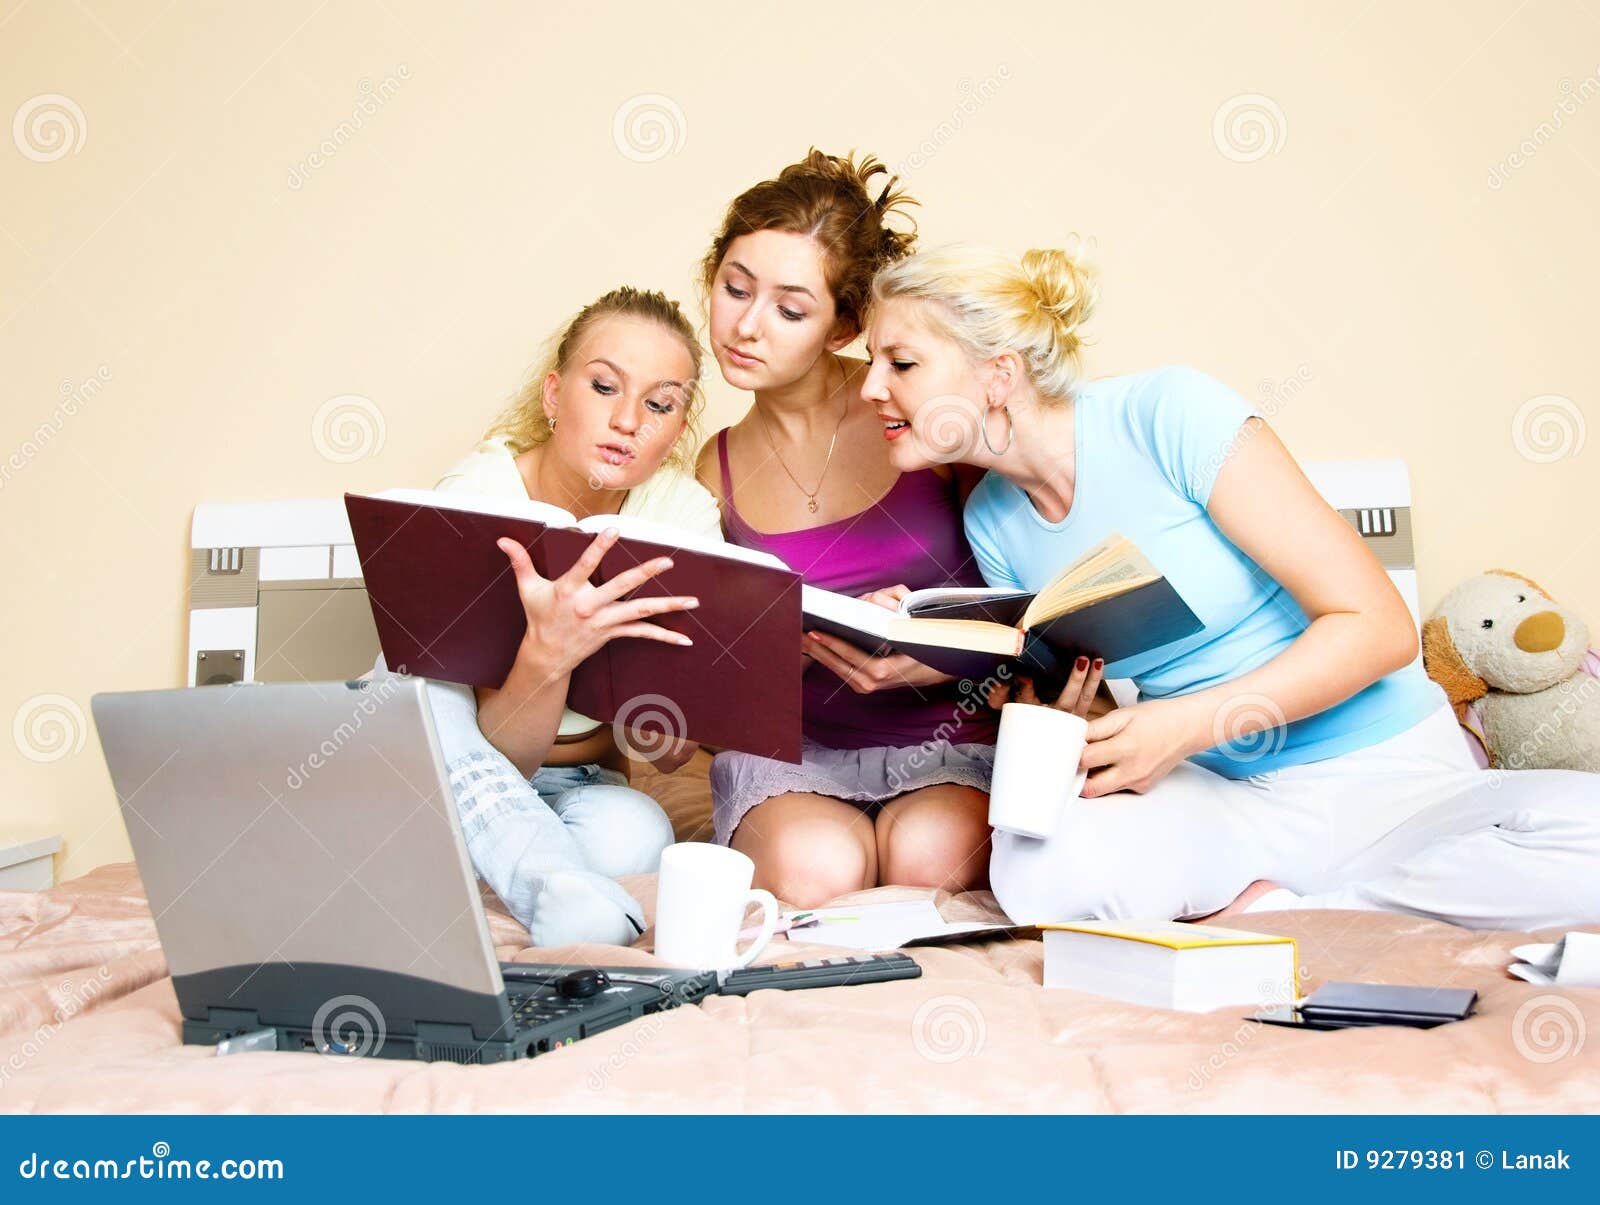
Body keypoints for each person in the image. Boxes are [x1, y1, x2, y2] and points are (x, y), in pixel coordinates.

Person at [860, 240, 1600, 931]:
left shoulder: (1168, 414)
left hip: (1383, 770)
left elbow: (1379, 625)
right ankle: (1364, 898)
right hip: (1221, 793)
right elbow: (1086, 685)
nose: (869, 388)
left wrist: (1181, 726)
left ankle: (1311, 906)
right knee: (1036, 874)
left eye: (900, 363)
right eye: (871, 363)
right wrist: (956, 660)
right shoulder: (991, 517)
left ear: (999, 372)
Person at [692, 150, 1003, 909]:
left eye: (791, 309)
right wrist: (775, 656)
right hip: (798, 753)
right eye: (735, 288)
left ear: (845, 327)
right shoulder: (713, 468)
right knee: (813, 874)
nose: (746, 325)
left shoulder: (916, 418)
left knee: (931, 863)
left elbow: (1035, 606)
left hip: (950, 739)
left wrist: (930, 659)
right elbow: (703, 688)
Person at [376, 286, 717, 945]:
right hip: (469, 769)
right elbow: (497, 750)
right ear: (555, 395)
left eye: (659, 403)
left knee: (638, 832)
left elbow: (670, 753)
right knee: (409, 684)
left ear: (678, 428)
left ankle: (530, 876)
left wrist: (682, 705)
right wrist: (550, 651)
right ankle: (552, 882)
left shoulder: (682, 515)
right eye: (604, 387)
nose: (627, 421)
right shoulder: (476, 496)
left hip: (577, 783)